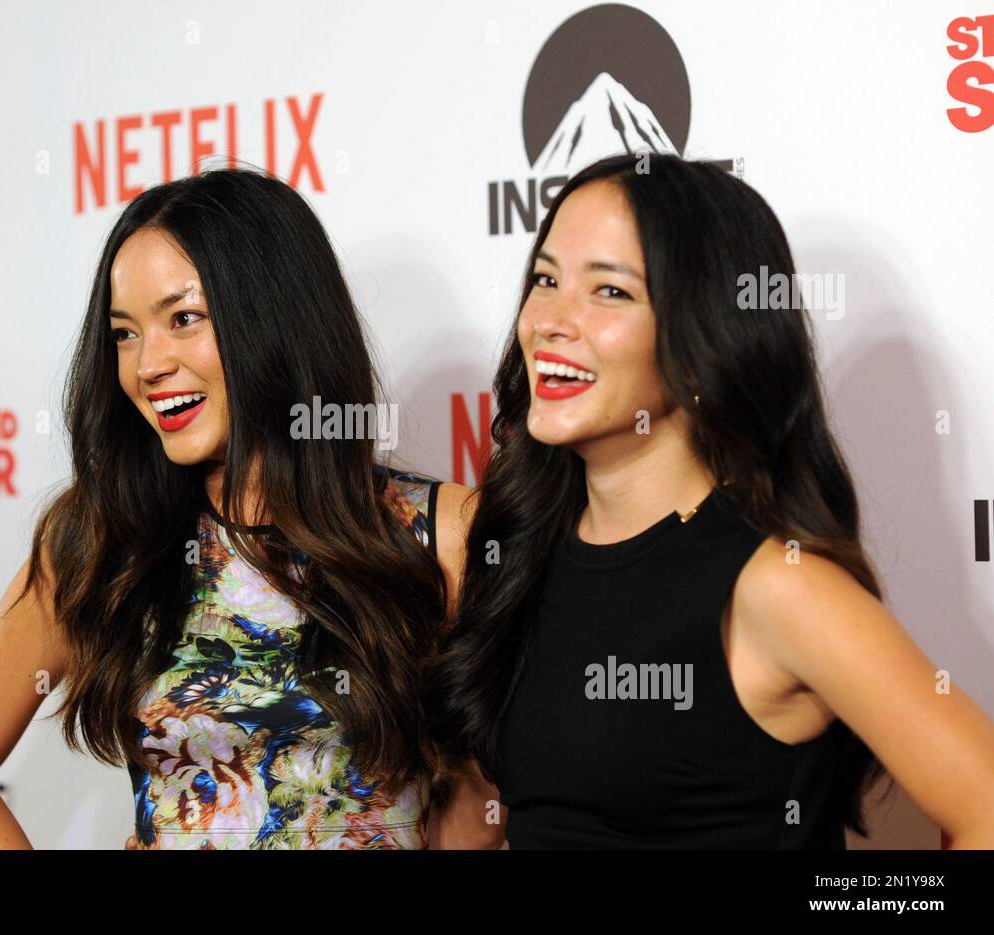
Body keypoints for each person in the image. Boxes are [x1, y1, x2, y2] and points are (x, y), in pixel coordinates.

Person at [426, 153, 994, 848]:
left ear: (705, 345)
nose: (548, 319)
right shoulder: (518, 554)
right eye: (545, 279)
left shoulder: (777, 585)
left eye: (610, 291)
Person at [0, 168, 473, 849]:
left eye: (183, 318)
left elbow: (491, 798)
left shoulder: (438, 531)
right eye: (125, 333)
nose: (147, 364)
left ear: (274, 317)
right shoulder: (100, 538)